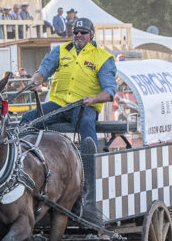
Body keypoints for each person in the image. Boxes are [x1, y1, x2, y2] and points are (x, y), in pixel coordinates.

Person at [21, 17, 116, 225]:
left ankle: (88, 182)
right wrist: (37, 77)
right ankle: (20, 171)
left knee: (87, 127)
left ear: (91, 34)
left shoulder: (103, 58)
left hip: (84, 105)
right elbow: (46, 67)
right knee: (26, 120)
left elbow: (110, 91)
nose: (79, 35)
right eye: (75, 32)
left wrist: (93, 99)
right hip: (58, 105)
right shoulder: (61, 50)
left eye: (83, 32)